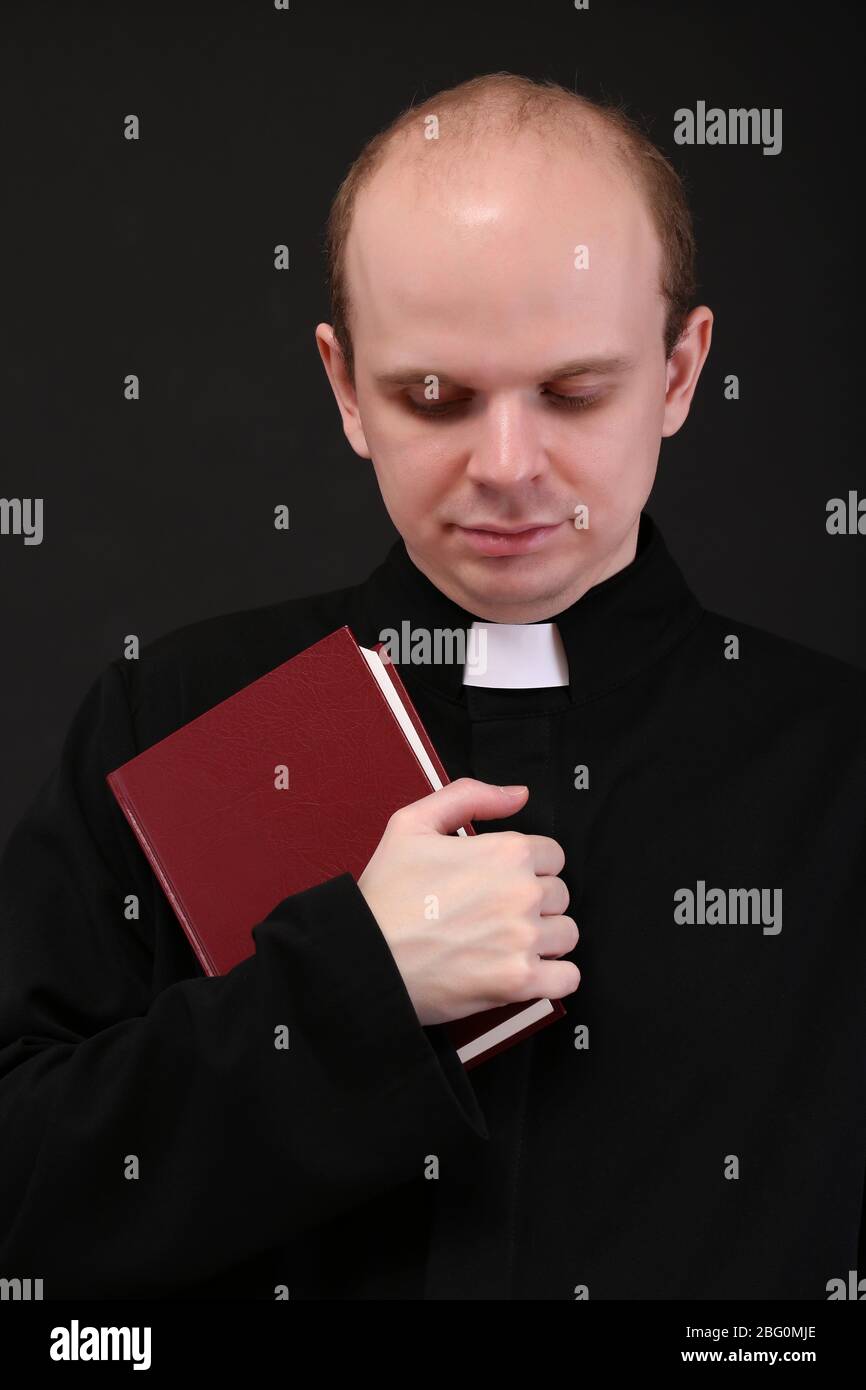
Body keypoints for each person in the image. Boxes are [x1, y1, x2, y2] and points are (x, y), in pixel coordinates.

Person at [1, 72, 864, 1301]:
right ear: (345, 386)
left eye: (572, 391)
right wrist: (351, 985)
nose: (506, 468)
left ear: (679, 373)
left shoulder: (839, 765)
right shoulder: (170, 711)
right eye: (431, 397)